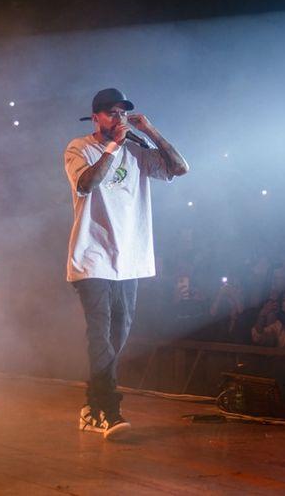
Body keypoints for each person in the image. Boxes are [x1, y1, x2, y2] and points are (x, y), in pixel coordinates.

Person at [64, 88, 189, 439]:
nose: (118, 118)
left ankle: (92, 405)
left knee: (118, 335)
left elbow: (180, 168)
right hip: (92, 257)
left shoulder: (137, 150)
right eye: (111, 113)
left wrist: (151, 132)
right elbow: (87, 184)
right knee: (100, 334)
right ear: (96, 118)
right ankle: (109, 410)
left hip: (129, 260)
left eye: (122, 113)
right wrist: (113, 147)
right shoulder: (79, 147)